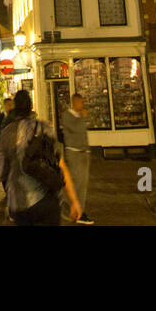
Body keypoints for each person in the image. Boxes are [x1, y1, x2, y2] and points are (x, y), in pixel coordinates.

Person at [0, 90, 81, 226]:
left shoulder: (7, 133)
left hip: (20, 204)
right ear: (30, 106)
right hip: (47, 198)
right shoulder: (44, 128)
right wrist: (74, 201)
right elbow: (60, 165)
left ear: (15, 107)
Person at [60, 93, 94, 224]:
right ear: (75, 103)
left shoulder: (79, 115)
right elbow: (76, 129)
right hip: (74, 154)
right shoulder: (67, 116)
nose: (82, 105)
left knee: (81, 183)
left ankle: (73, 207)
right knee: (78, 183)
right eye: (80, 102)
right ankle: (78, 211)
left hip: (83, 153)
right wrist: (83, 118)